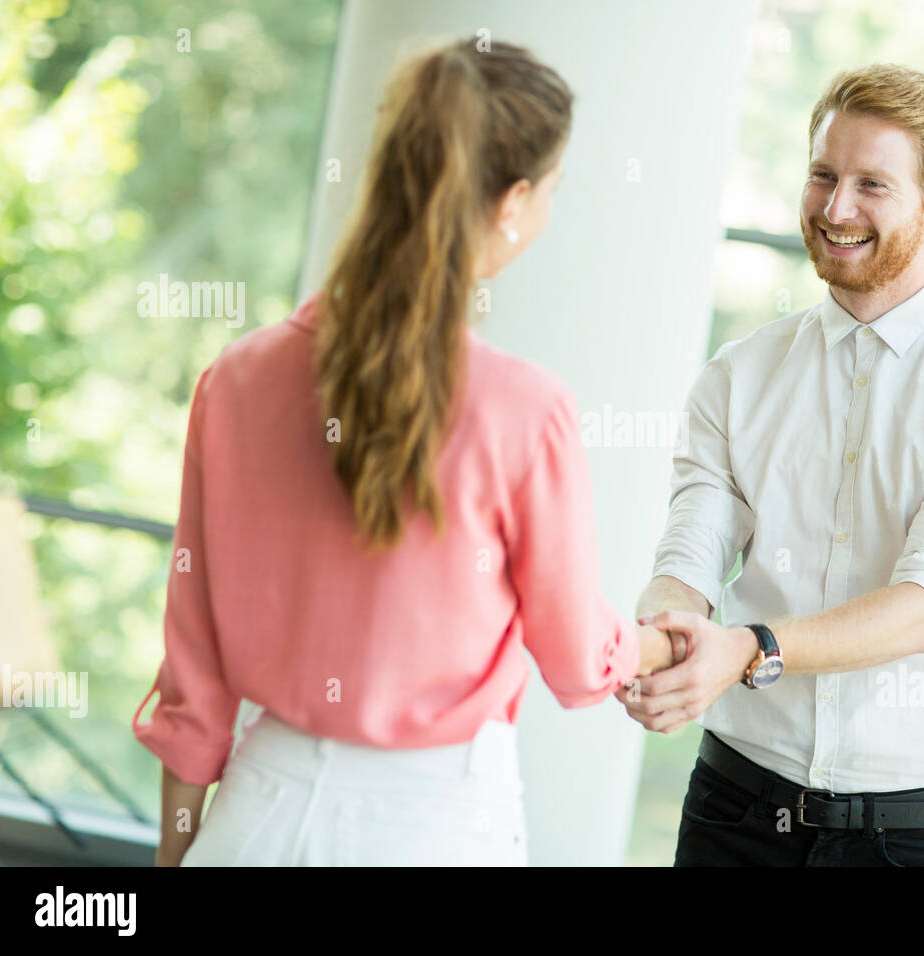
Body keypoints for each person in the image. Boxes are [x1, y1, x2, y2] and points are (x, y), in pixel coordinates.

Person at [132, 35, 673, 867]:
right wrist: (662, 646)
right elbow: (572, 658)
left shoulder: (234, 382)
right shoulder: (525, 411)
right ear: (513, 202)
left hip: (256, 817)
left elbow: (192, 679)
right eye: (553, 189)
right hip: (438, 826)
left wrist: (176, 859)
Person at [620, 63, 924, 867]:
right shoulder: (737, 375)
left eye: (871, 185)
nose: (835, 209)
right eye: (823, 175)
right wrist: (662, 637)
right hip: (732, 812)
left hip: (903, 839)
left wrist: (747, 647)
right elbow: (687, 555)